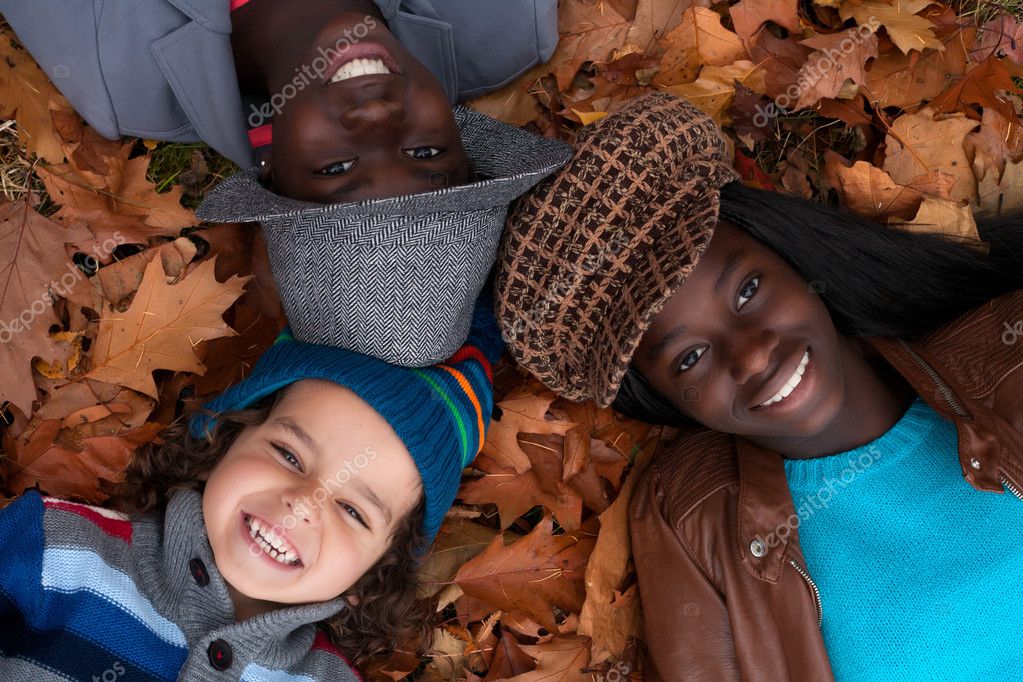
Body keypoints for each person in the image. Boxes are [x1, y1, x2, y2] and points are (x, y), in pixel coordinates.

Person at [494, 92, 1023, 680]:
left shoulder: (1009, 350)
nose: (749, 354)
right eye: (690, 358)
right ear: (663, 398)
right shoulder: (695, 525)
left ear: (791, 257)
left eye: (747, 291)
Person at [0, 301, 503, 681]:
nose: (304, 503)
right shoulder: (59, 546)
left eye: (353, 510)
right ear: (223, 440)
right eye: (289, 455)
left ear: (374, 575)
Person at [0, 0, 557, 203]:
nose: (378, 117)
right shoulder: (505, 15)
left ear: (269, 165)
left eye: (337, 167)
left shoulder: (112, 66)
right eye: (427, 155)